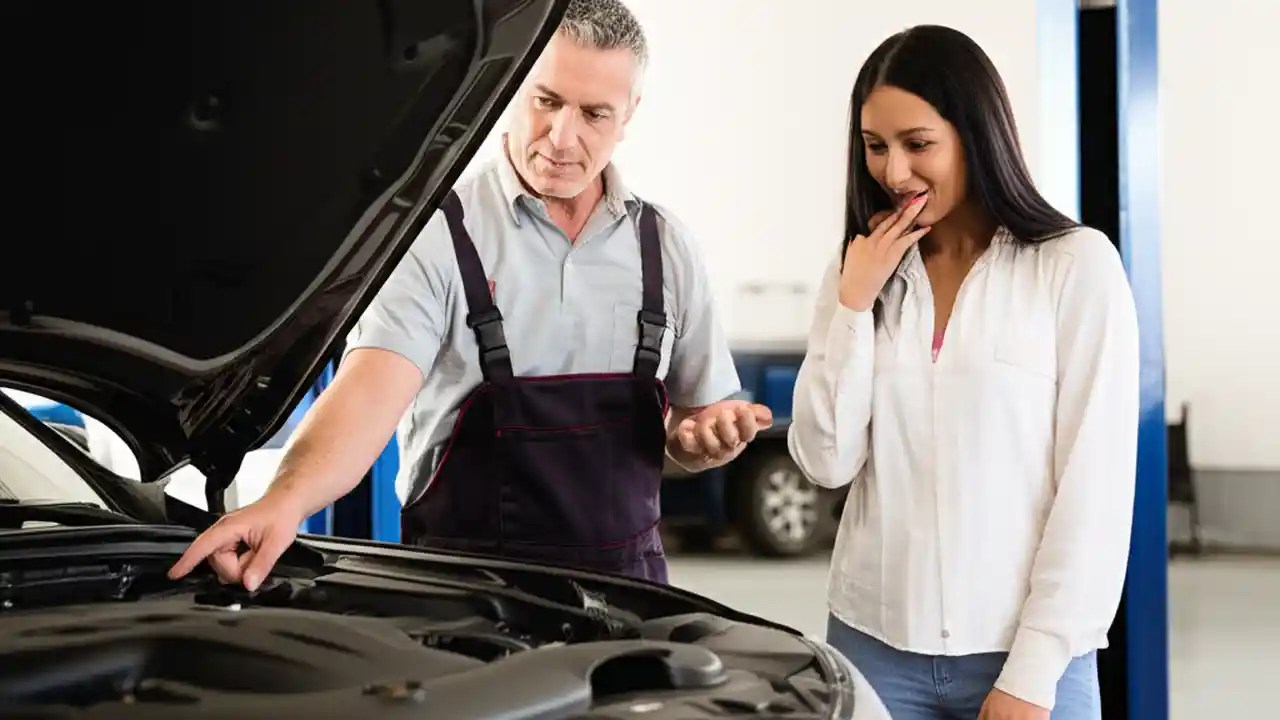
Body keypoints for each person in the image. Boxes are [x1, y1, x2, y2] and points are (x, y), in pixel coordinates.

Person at [168, 0, 770, 589]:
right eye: (547, 101)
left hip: (623, 600)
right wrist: (285, 501)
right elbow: (368, 393)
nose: (562, 137)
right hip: (464, 598)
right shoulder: (434, 235)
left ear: (630, 114)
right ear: (511, 86)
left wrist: (704, 439)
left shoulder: (665, 247)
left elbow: (696, 418)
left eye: (594, 114)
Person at [787, 25, 1139, 720]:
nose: (893, 173)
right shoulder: (858, 272)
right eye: (875, 146)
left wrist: (1032, 675)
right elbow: (825, 460)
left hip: (1029, 656)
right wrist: (852, 306)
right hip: (873, 646)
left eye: (918, 145)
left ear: (975, 134)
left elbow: (1094, 493)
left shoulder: (1074, 268)